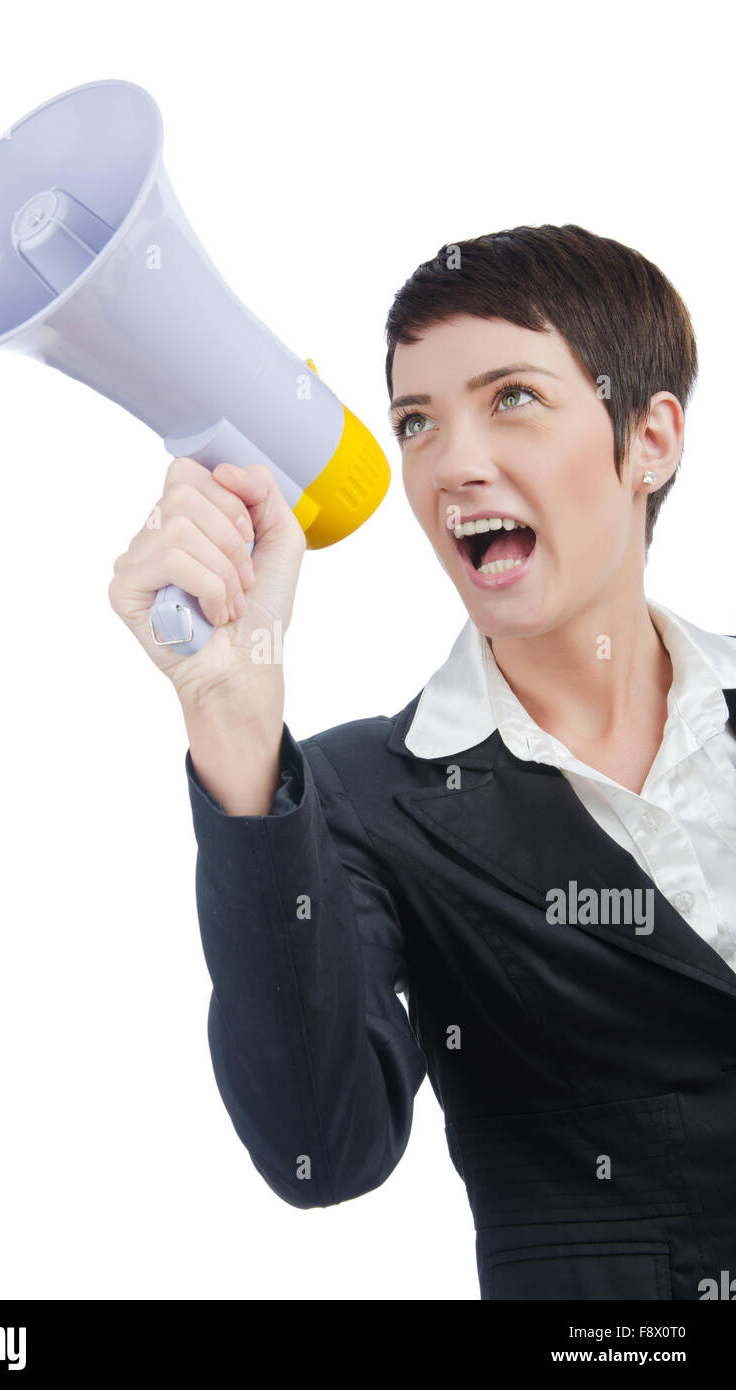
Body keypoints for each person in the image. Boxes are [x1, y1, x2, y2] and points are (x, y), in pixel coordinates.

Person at [108, 224, 736, 1301]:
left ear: (651, 440)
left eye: (513, 399)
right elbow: (325, 1147)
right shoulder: (361, 796)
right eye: (415, 421)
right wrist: (234, 718)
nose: (453, 464)